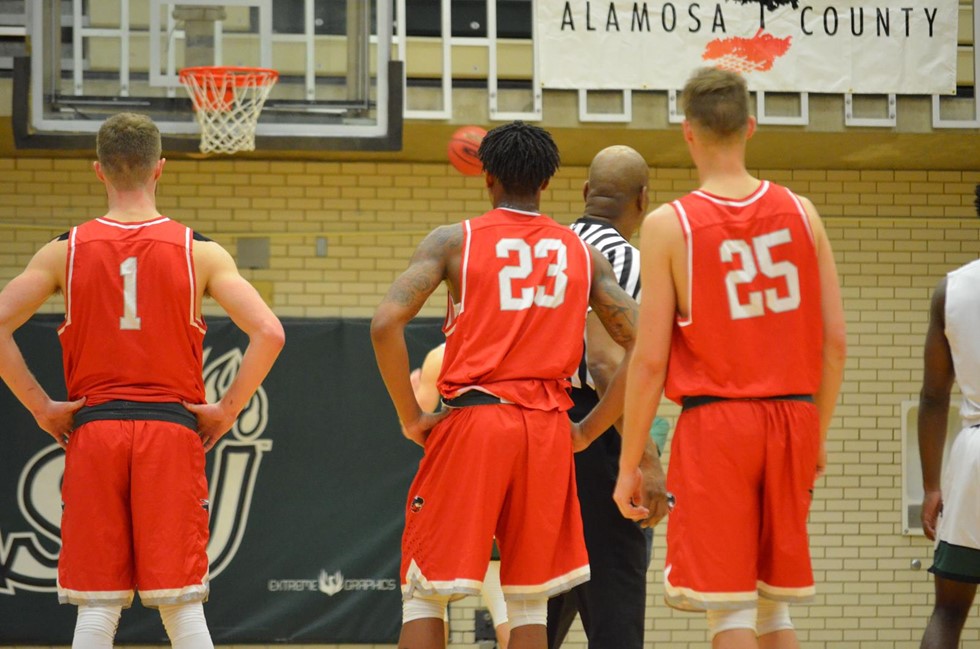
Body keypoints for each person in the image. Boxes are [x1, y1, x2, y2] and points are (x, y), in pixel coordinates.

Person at [0, 113, 285, 649]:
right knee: (181, 606)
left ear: (98, 171)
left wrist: (41, 407)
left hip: (96, 430)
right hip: (169, 433)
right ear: (160, 169)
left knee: (97, 608)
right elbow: (269, 332)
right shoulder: (200, 251)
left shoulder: (64, 250)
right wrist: (226, 409)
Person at [371, 120, 651, 649]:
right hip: (547, 432)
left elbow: (385, 325)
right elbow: (644, 348)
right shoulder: (583, 254)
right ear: (548, 183)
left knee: (423, 592)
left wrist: (412, 417)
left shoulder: (454, 240)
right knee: (528, 599)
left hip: (476, 420)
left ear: (486, 178)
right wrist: (588, 431)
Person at [613, 67, 847, 649]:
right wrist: (816, 432)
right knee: (774, 611)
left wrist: (630, 461)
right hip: (792, 418)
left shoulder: (670, 224)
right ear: (751, 126)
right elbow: (835, 342)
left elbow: (648, 361)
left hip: (718, 425)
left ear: (687, 132)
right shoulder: (803, 213)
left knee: (730, 612)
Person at [547, 145, 661, 649]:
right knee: (614, 609)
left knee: (535, 612)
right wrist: (646, 458)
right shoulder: (623, 259)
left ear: (586, 193)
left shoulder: (549, 249)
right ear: (643, 200)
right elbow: (606, 362)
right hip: (592, 436)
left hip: (535, 435)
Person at [410, 343, 510, 649]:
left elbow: (420, 430)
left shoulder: (441, 355)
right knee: (514, 614)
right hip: (500, 495)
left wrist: (413, 399)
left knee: (428, 605)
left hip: (452, 499)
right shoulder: (518, 348)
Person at [917, 183, 980, 649]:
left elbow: (934, 396)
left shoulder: (952, 288)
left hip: (973, 458)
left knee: (949, 610)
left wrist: (932, 486)